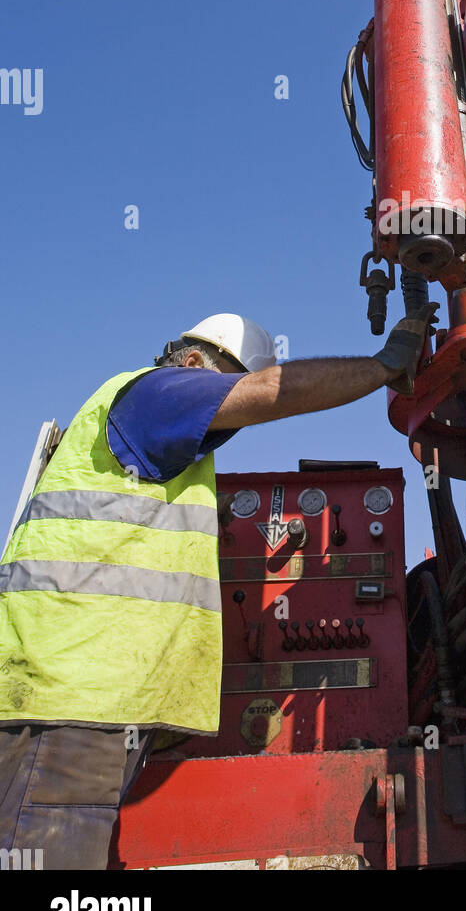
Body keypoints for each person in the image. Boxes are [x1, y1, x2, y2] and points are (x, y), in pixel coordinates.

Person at [0, 307, 436, 870]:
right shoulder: (157, 393)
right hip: (71, 700)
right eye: (225, 392)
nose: (227, 422)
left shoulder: (156, 448)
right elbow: (272, 392)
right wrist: (380, 367)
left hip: (92, 701)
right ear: (191, 364)